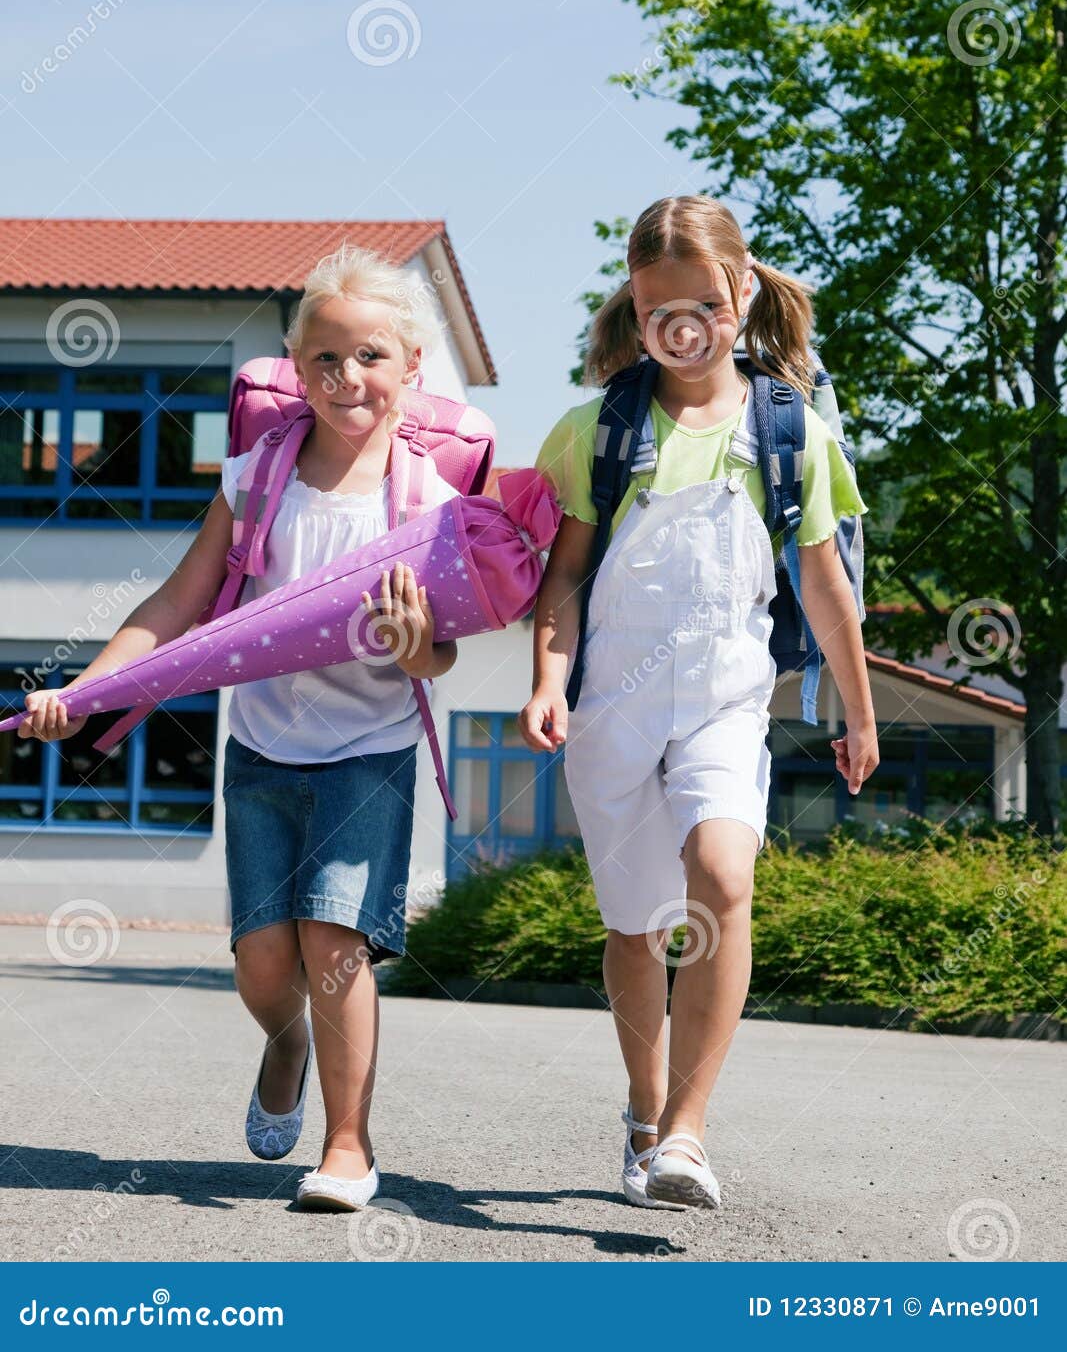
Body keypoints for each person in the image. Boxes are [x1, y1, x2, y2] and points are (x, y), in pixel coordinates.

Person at [20, 243, 459, 1212]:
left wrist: (415, 641)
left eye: (372, 358)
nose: (350, 379)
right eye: (327, 361)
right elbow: (178, 602)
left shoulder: (430, 502)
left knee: (333, 941)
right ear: (297, 371)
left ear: (412, 369)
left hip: (368, 752)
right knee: (266, 966)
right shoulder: (257, 475)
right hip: (261, 748)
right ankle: (285, 1036)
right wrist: (85, 691)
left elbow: (440, 661)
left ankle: (347, 1145)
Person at [519, 195, 878, 1211]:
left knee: (721, 874)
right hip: (611, 707)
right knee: (633, 926)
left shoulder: (788, 430)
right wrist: (546, 680)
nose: (683, 327)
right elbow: (561, 578)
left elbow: (823, 585)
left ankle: (686, 1129)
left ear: (741, 293)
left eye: (704, 305)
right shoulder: (597, 428)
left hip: (726, 697)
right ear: (636, 315)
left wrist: (857, 711)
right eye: (657, 310)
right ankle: (641, 1114)